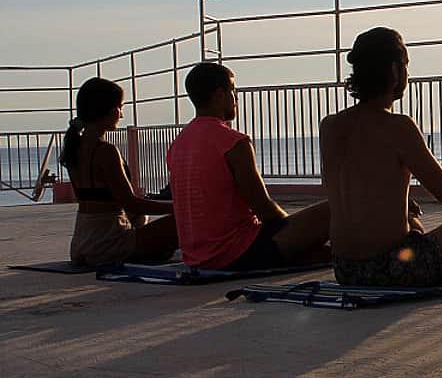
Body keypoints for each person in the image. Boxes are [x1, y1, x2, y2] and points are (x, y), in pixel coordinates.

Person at [319, 27, 442, 287]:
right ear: (394, 70)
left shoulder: (329, 126)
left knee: (412, 222)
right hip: (392, 269)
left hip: (346, 270)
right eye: (405, 64)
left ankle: (440, 269)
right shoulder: (398, 127)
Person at [167, 62, 330, 270]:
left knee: (325, 254)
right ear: (220, 94)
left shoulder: (178, 145)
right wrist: (294, 229)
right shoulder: (233, 142)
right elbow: (265, 209)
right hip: (237, 252)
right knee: (334, 208)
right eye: (233, 90)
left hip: (198, 257)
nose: (236, 98)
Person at [61, 77, 177, 266]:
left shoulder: (74, 147)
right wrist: (179, 207)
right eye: (120, 108)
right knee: (179, 223)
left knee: (141, 219)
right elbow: (132, 204)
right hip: (106, 243)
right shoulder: (105, 151)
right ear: (108, 110)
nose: (121, 115)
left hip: (82, 242)